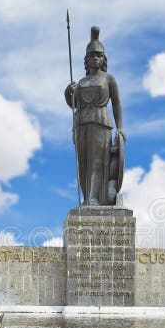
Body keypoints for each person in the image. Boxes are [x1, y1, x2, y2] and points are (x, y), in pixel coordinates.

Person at [65, 26, 125, 206]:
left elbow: (117, 103)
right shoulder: (81, 82)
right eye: (92, 56)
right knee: (83, 163)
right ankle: (86, 198)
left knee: (97, 162)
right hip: (81, 123)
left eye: (99, 55)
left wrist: (120, 128)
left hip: (101, 121)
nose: (96, 59)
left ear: (103, 58)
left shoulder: (109, 79)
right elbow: (74, 105)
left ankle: (93, 198)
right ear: (87, 59)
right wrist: (68, 93)